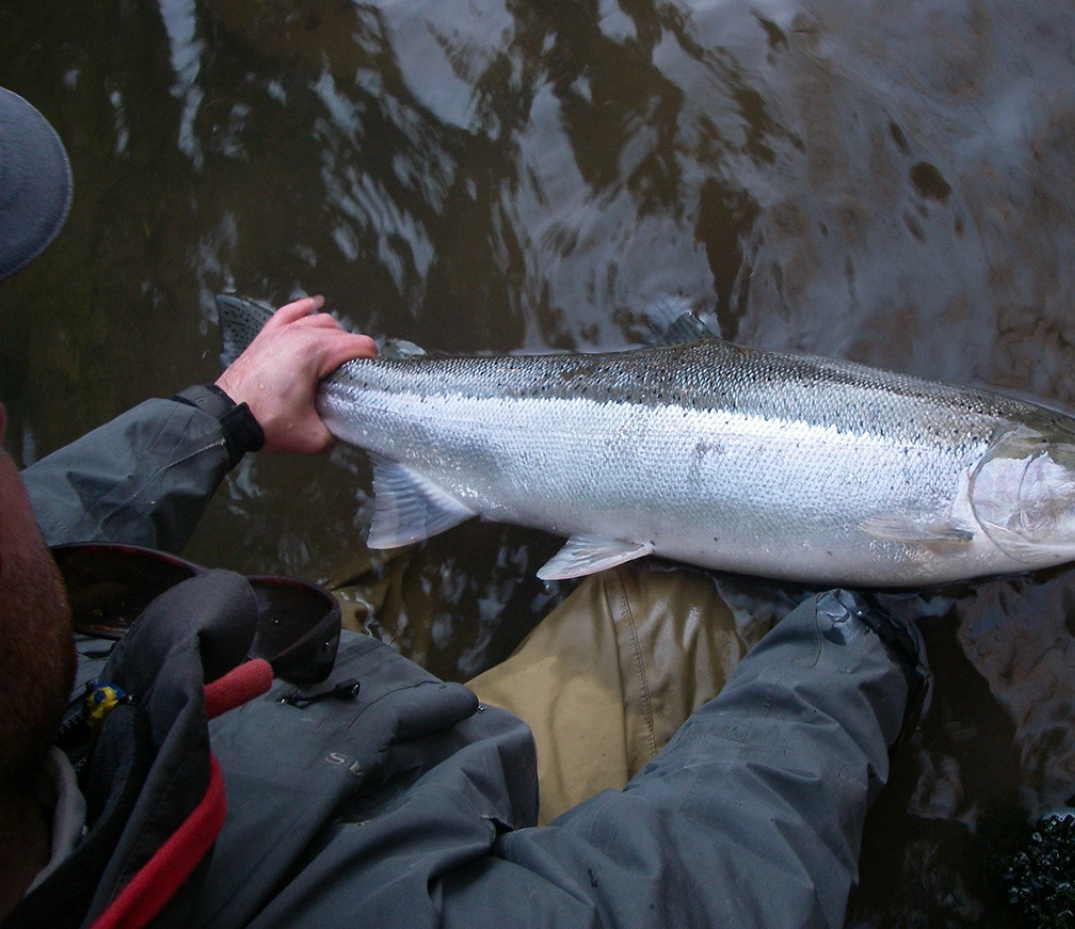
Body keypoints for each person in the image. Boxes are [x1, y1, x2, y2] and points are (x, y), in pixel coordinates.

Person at [0, 86, 927, 929]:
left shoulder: (36, 643)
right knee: (687, 611)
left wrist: (220, 420)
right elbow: (700, 887)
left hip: (237, 690)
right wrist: (865, 628)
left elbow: (43, 531)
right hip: (365, 799)